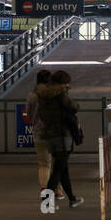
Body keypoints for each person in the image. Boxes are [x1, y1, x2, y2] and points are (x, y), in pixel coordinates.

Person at [35, 69, 83, 208]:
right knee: (58, 171)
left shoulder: (43, 96)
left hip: (50, 135)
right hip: (63, 136)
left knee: (63, 169)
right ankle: (46, 202)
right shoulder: (61, 95)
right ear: (63, 83)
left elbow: (41, 115)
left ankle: (72, 199)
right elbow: (74, 107)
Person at [24, 70, 60, 198]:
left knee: (44, 163)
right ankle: (57, 190)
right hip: (55, 133)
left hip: (39, 133)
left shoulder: (32, 95)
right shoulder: (55, 94)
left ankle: (45, 189)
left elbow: (28, 114)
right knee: (57, 163)